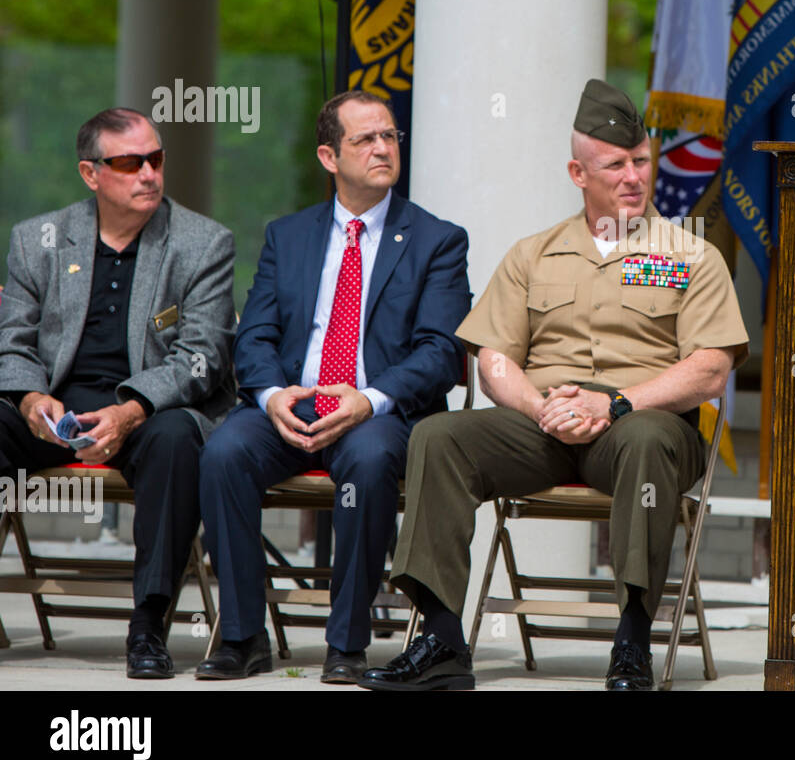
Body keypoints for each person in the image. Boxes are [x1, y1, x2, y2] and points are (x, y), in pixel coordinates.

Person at [360, 78, 749, 693]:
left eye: (641, 162)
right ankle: (440, 638)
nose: (632, 176)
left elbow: (710, 368)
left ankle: (631, 638)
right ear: (578, 172)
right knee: (438, 436)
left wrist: (616, 402)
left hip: (642, 427)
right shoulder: (531, 254)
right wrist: (542, 407)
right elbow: (493, 359)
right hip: (542, 427)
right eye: (615, 164)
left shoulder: (689, 254)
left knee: (646, 439)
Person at [196, 90, 471, 685]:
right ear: (329, 156)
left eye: (390, 137)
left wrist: (368, 399)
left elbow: (442, 352)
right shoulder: (288, 236)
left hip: (378, 414)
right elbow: (256, 336)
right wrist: (272, 396)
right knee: (222, 453)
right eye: (365, 139)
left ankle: (346, 644)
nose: (382, 148)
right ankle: (243, 637)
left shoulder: (437, 240)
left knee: (369, 464)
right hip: (293, 404)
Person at [0, 108, 236, 679]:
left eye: (155, 159)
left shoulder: (203, 244)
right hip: (54, 413)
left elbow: (202, 357)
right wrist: (32, 400)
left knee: (178, 439)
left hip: (148, 412)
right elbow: (12, 342)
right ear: (91, 173)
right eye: (129, 163)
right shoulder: (39, 240)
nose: (149, 174)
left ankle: (148, 624)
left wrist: (131, 410)